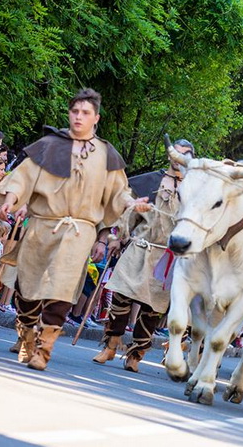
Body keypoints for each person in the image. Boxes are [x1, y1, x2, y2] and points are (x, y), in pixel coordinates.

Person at [0, 88, 149, 371]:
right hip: (43, 225)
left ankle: (44, 349)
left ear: (96, 118)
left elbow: (118, 192)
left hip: (79, 231)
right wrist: (12, 200)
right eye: (75, 111)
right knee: (27, 287)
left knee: (63, 288)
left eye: (85, 113)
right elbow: (22, 177)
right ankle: (27, 331)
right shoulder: (50, 144)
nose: (79, 117)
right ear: (69, 114)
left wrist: (132, 203)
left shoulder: (106, 154)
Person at [92, 138, 195, 372]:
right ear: (170, 155)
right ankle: (111, 343)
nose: (179, 158)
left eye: (185, 154)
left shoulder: (193, 189)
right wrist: (118, 237)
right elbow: (130, 212)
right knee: (120, 295)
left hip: (167, 256)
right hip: (140, 246)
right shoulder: (152, 180)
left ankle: (136, 355)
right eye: (176, 153)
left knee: (153, 309)